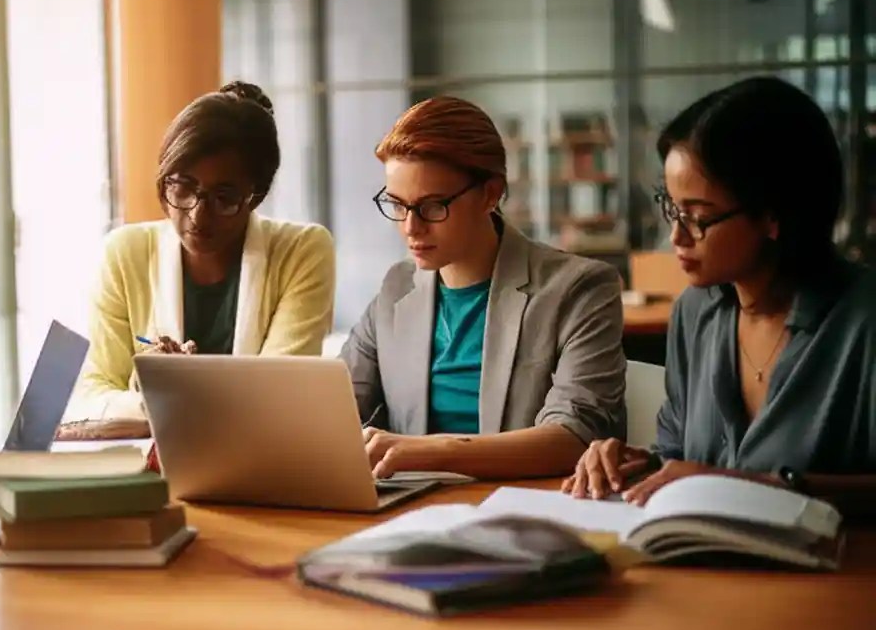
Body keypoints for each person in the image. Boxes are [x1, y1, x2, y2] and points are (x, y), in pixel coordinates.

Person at [563, 76, 876, 514]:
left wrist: (755, 485)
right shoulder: (696, 311)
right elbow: (680, 455)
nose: (676, 236)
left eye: (697, 217)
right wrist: (638, 465)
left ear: (773, 215)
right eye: (671, 208)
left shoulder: (862, 320)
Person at [342, 95, 626, 480]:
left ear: (490, 194)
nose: (411, 227)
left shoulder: (579, 288)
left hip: (521, 507)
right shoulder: (397, 287)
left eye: (432, 207)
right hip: (409, 507)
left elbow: (573, 436)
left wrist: (431, 451)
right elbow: (338, 412)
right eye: (397, 205)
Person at [69, 81, 336, 420]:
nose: (197, 215)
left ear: (255, 196)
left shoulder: (301, 251)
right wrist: (153, 395)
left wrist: (175, 392)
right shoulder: (125, 253)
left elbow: (278, 393)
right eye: (182, 188)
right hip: (147, 468)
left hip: (258, 466)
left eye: (223, 198)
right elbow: (92, 393)